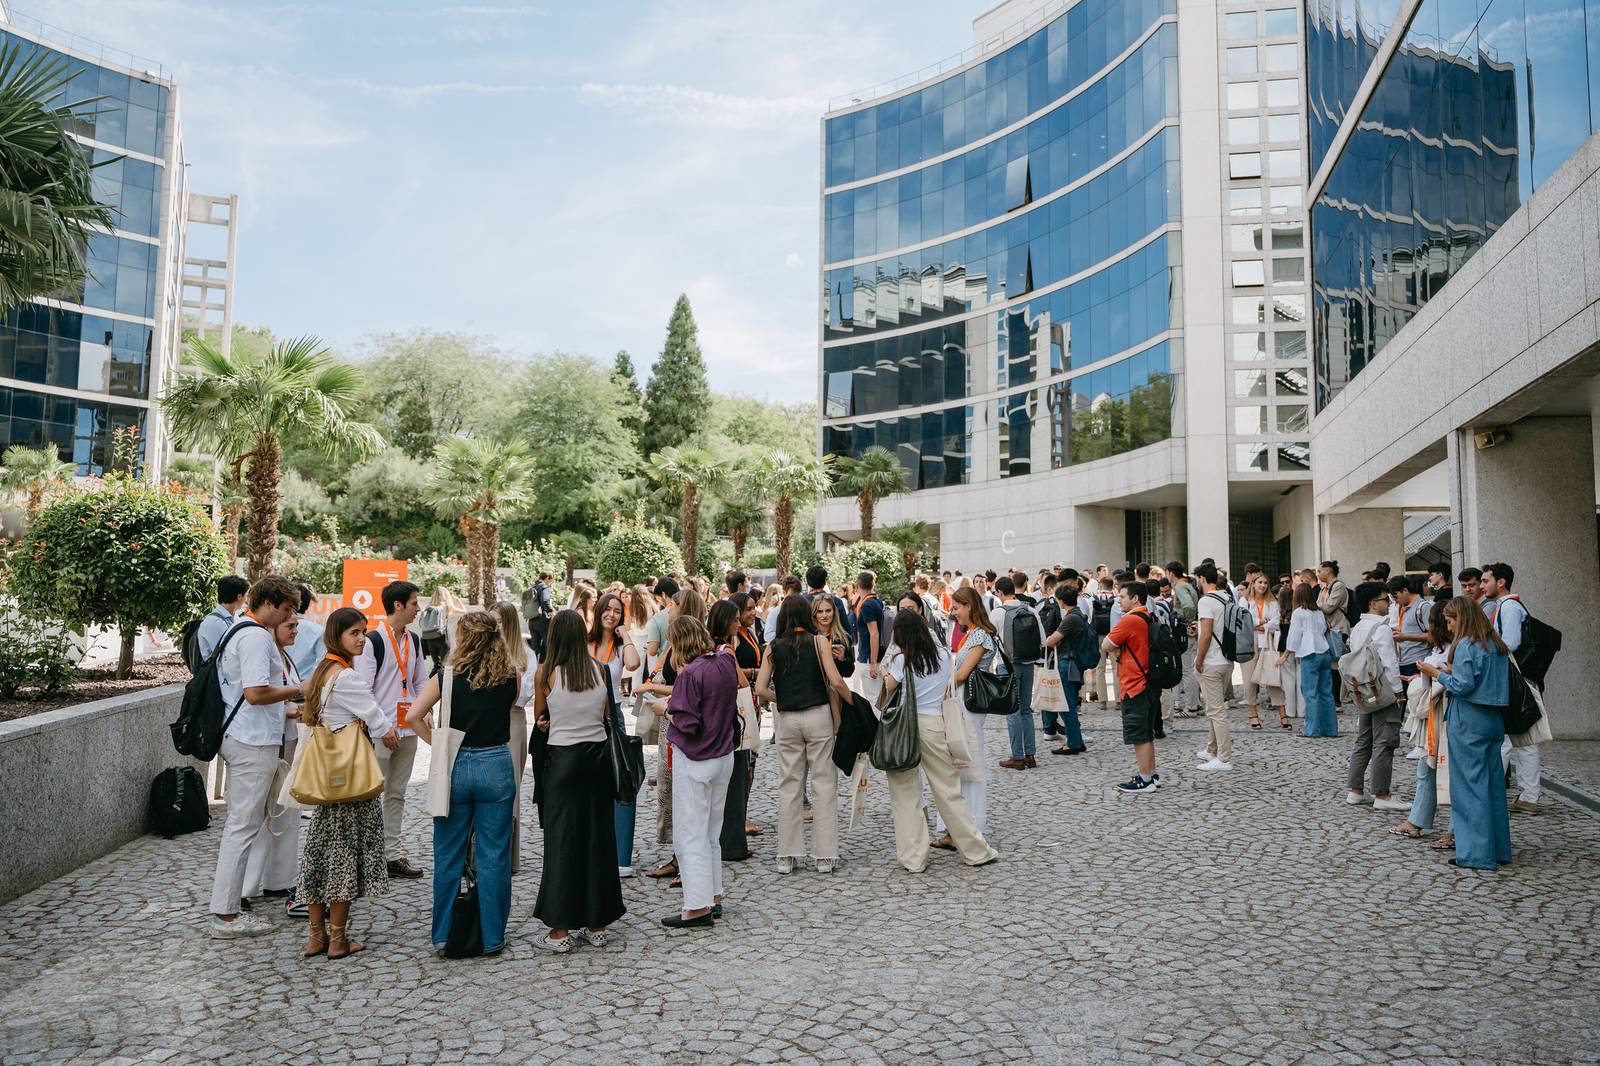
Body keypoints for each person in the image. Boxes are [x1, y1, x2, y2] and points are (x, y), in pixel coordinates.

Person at [405, 611, 519, 957]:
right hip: (497, 763)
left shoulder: (447, 676)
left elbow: (412, 716)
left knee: (448, 853)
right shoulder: (511, 675)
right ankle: (491, 937)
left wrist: (437, 744)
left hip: (456, 764)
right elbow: (507, 710)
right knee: (494, 854)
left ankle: (443, 934)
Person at [515, 609, 624, 951]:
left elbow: (542, 718)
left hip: (563, 761)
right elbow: (607, 716)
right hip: (597, 760)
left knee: (563, 841)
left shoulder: (546, 672)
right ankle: (596, 924)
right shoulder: (601, 671)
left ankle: (560, 930)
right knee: (598, 839)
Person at [292, 607, 394, 959]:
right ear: (338, 636)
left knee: (319, 859)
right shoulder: (346, 677)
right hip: (350, 781)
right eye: (355, 633)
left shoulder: (323, 672)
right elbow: (376, 717)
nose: (362, 639)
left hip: (326, 783)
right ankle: (337, 939)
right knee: (343, 860)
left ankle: (315, 937)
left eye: (364, 632)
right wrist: (389, 734)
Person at [207, 576, 304, 938]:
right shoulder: (254, 637)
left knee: (244, 825)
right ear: (270, 603)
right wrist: (300, 690)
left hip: (249, 739)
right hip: (251, 743)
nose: (288, 617)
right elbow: (255, 693)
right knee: (242, 827)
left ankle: (228, 909)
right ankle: (226, 914)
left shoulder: (244, 631)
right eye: (287, 609)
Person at [881, 609, 998, 872]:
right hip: (936, 725)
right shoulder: (944, 655)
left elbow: (888, 686)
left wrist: (887, 666)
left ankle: (914, 858)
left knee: (906, 793)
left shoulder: (901, 659)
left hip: (906, 727)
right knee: (948, 791)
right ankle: (976, 850)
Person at [754, 595, 852, 875]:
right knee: (823, 784)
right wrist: (851, 702)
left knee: (789, 786)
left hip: (787, 719)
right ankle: (824, 856)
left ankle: (786, 855)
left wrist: (781, 696)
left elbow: (761, 689)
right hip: (818, 714)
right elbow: (835, 680)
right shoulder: (819, 642)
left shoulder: (773, 647)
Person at [1418, 597, 1513, 869]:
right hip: (1494, 718)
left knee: (1468, 789)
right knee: (1493, 786)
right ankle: (1498, 849)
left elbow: (1462, 686)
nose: (1448, 627)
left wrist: (1435, 672)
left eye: (1450, 621)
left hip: (1469, 717)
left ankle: (1475, 854)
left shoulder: (1466, 645)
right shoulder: (1496, 644)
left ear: (1462, 618)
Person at [662, 615, 741, 926]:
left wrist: (666, 709)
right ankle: (714, 894)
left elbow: (688, 721)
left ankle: (697, 906)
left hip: (697, 758)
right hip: (723, 755)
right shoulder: (723, 660)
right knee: (711, 833)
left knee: (690, 834)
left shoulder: (691, 674)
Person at [352, 580, 427, 880]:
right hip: (381, 731)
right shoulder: (372, 642)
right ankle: (365, 858)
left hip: (408, 730)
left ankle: (391, 855)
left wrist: (426, 711)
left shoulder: (415, 641)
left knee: (397, 793)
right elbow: (363, 690)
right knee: (370, 795)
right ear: (398, 605)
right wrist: (381, 726)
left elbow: (420, 682)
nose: (418, 609)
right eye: (413, 603)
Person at [241, 613, 306, 918]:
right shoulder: (264, 653)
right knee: (259, 814)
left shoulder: (285, 657)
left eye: (296, 626)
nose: (295, 630)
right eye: (289, 625)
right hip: (269, 742)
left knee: (286, 812)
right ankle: (245, 887)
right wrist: (293, 709)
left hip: (288, 744)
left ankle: (279, 879)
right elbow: (259, 697)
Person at [940, 586, 1002, 840]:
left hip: (969, 704)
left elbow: (963, 673)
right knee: (962, 763)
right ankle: (960, 824)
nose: (953, 613)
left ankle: (970, 824)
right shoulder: (973, 634)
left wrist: (938, 686)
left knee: (969, 764)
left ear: (969, 606)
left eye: (956, 608)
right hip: (964, 703)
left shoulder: (980, 636)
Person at [1480, 562, 1542, 815]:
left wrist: (1484, 651)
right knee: (1514, 737)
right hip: (1515, 678)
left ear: (1501, 582)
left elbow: (1511, 642)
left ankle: (1504, 793)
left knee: (1512, 737)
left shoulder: (1509, 606)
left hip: (1515, 679)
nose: (1483, 586)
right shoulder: (1505, 606)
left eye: (1485, 581)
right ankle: (1525, 795)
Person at [589, 592, 643, 874]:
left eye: (618, 611)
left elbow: (633, 665)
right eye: (607, 609)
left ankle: (622, 856)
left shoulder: (622, 646)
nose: (611, 615)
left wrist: (627, 635)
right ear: (598, 611)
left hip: (612, 717)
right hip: (585, 718)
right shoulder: (586, 642)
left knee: (621, 781)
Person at [1344, 582, 1409, 810]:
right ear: (1373, 604)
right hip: (1383, 691)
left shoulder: (1358, 627)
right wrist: (1398, 693)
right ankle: (1382, 795)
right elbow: (1389, 663)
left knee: (1364, 740)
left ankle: (1355, 790)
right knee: (1385, 742)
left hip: (1363, 691)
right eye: (1385, 599)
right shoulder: (1381, 628)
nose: (1389, 603)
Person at [1391, 606, 1453, 840]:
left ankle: (1453, 830)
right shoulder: (1441, 649)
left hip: (1445, 715)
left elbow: (1455, 680)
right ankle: (1417, 820)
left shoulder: (1456, 650)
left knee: (1449, 772)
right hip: (1435, 716)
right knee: (1427, 768)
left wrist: (1431, 673)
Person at [1103, 579, 1163, 793]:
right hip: (1149, 681)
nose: (1119, 600)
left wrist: (1118, 651)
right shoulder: (1150, 616)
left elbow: (1106, 644)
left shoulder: (1129, 620)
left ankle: (1145, 779)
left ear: (1135, 598)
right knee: (1147, 732)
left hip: (1135, 684)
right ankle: (1152, 774)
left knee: (1139, 735)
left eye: (1122, 597)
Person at [706, 599, 752, 863]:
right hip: (730, 722)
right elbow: (741, 682)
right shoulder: (726, 650)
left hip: (714, 722)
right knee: (734, 784)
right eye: (735, 619)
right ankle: (733, 845)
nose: (739, 623)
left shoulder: (708, 646)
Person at [491, 602, 532, 875]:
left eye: (499, 622)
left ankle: (508, 856)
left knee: (511, 789)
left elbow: (521, 697)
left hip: (513, 719)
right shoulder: (484, 650)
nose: (495, 627)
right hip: (488, 721)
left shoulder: (526, 655)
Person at [991, 576, 1041, 770]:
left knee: (1013, 709)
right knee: (1026, 709)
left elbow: (988, 639)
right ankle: (1030, 755)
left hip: (1007, 665)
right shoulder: (1030, 610)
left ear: (1001, 593)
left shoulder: (998, 613)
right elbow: (1042, 640)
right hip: (1028, 664)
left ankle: (1017, 757)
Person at [1192, 563, 1234, 772]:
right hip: (1227, 660)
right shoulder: (1226, 597)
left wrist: (1199, 659)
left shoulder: (1206, 601)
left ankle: (1224, 758)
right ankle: (1211, 749)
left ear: (1201, 579)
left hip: (1212, 661)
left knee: (1216, 711)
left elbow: (1207, 634)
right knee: (1214, 707)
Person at [1042, 580, 1088, 756]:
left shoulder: (1070, 618)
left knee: (1066, 705)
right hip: (1073, 663)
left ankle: (1073, 743)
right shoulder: (1078, 614)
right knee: (1069, 703)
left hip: (1067, 664)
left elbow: (1050, 641)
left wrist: (1055, 637)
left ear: (1061, 600)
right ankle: (1077, 740)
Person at [1284, 582, 1336, 737]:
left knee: (1310, 693)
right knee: (1326, 693)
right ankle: (1330, 729)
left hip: (1309, 654)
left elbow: (1294, 637)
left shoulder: (1299, 613)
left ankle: (1311, 729)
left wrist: (1286, 654)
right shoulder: (1319, 612)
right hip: (1324, 652)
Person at [1241, 573, 1285, 729]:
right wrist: (1262, 621)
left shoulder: (1272, 602)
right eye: (1260, 582)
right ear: (1253, 584)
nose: (1263, 585)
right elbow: (1244, 621)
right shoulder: (1244, 601)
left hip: (1268, 643)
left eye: (1265, 583)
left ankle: (1283, 713)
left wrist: (1260, 626)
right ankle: (1254, 715)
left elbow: (1276, 622)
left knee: (1273, 678)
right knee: (1249, 681)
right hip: (1249, 645)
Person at [1166, 562, 1201, 718]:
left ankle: (1191, 707)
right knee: (1190, 669)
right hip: (1190, 632)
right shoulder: (1188, 586)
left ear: (1171, 573)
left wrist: (1187, 622)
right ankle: (1196, 704)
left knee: (1187, 670)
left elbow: (1187, 605)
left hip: (1184, 632)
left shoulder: (1180, 587)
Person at [195, 574, 250, 661]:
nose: (246, 599)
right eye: (246, 595)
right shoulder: (214, 623)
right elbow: (226, 656)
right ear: (239, 597)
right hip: (218, 674)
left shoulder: (234, 617)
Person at [852, 570, 886, 704]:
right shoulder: (876, 602)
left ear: (858, 585)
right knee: (876, 698)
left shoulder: (867, 605)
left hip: (869, 658)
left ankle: (876, 725)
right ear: (873, 584)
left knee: (873, 699)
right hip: (876, 656)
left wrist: (872, 663)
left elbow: (874, 633)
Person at [286, 583, 325, 681]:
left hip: (278, 685)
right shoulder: (318, 631)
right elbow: (322, 662)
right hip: (305, 686)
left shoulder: (274, 626)